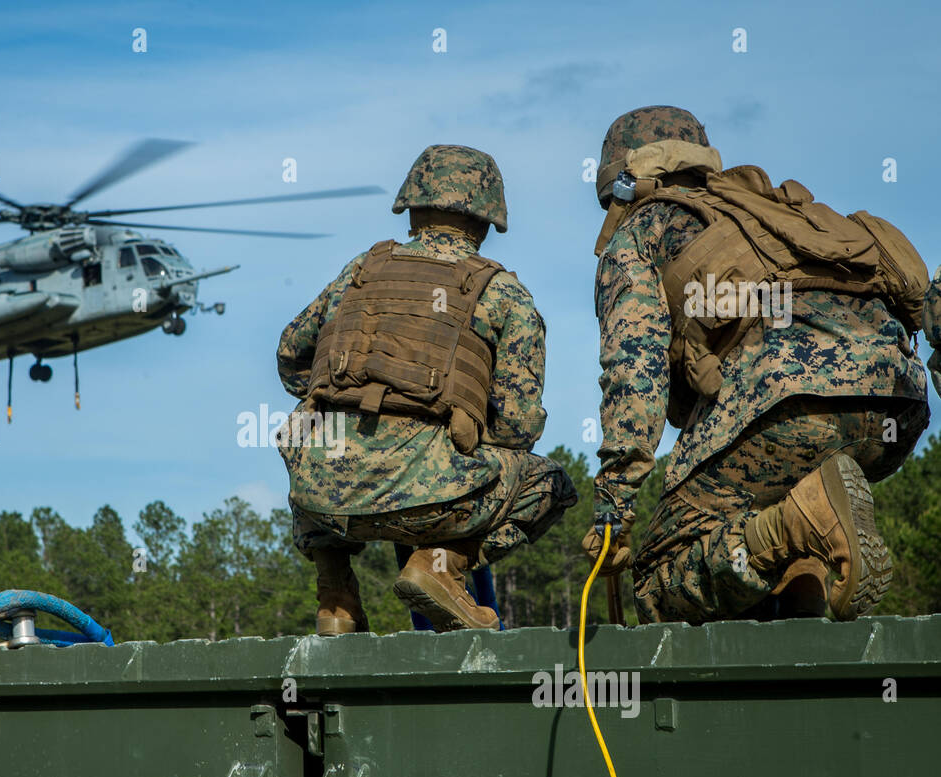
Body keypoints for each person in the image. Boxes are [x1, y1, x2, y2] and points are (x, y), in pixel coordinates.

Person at [584, 105, 931, 624]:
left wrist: (615, 505)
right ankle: (805, 575)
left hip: (787, 404)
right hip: (895, 408)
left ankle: (799, 525)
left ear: (624, 179)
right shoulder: (768, 211)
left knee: (659, 578)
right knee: (765, 505)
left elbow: (635, 373)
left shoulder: (643, 230)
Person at [277, 145, 576, 635]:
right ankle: (439, 565)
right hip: (432, 495)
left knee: (315, 433)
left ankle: (335, 596)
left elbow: (292, 356)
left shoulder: (359, 271)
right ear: (485, 223)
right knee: (551, 483)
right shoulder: (504, 293)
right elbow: (518, 425)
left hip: (322, 497)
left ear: (412, 209)